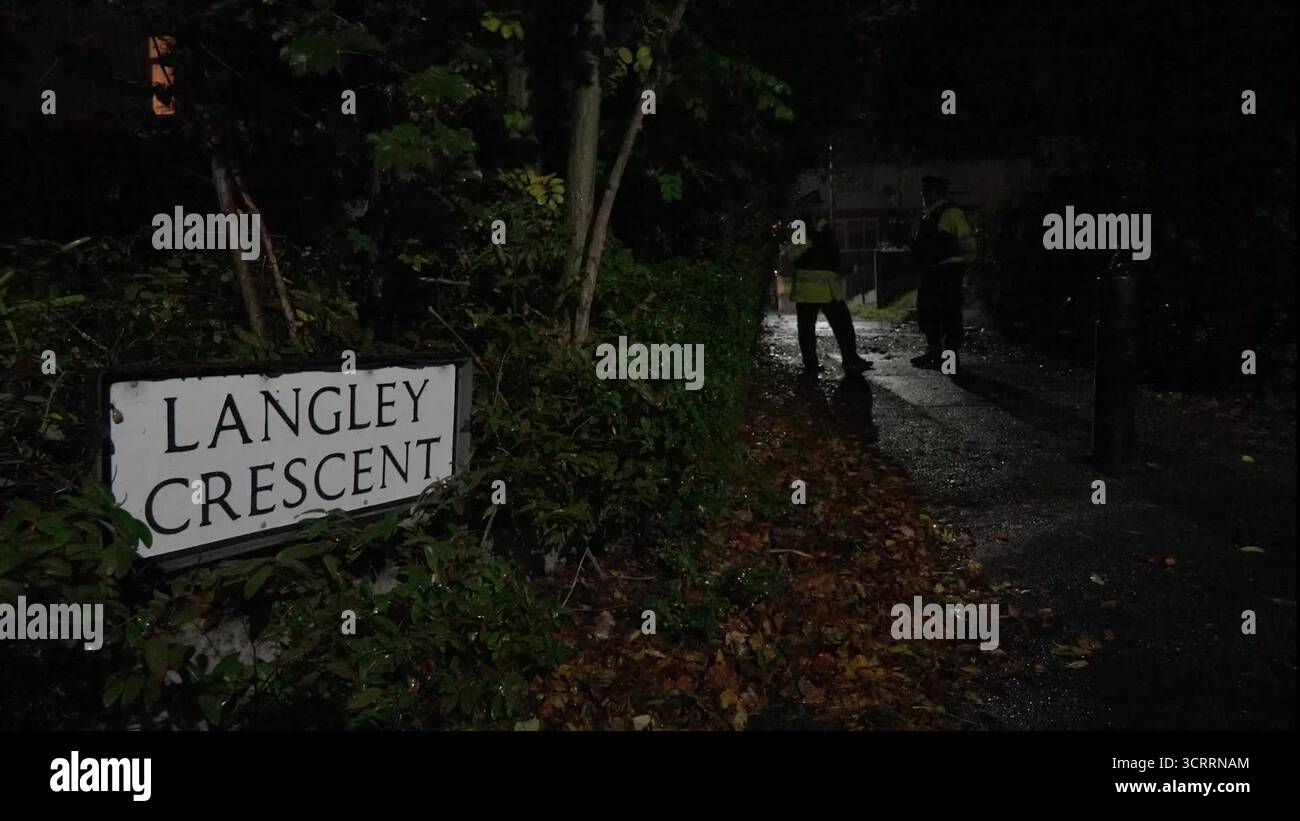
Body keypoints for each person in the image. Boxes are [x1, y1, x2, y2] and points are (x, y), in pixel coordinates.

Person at [787, 215, 872, 378]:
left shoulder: (823, 225)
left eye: (818, 205)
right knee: (808, 329)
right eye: (813, 205)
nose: (817, 209)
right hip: (808, 289)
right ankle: (811, 365)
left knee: (843, 324)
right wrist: (814, 237)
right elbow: (793, 254)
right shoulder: (799, 226)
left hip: (828, 287)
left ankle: (850, 358)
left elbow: (833, 252)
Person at [910, 176, 977, 369]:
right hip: (933, 271)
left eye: (924, 193)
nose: (922, 197)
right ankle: (935, 355)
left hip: (948, 270)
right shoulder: (931, 214)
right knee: (928, 313)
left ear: (933, 193)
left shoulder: (950, 213)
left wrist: (966, 263)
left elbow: (966, 241)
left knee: (949, 316)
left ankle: (949, 360)